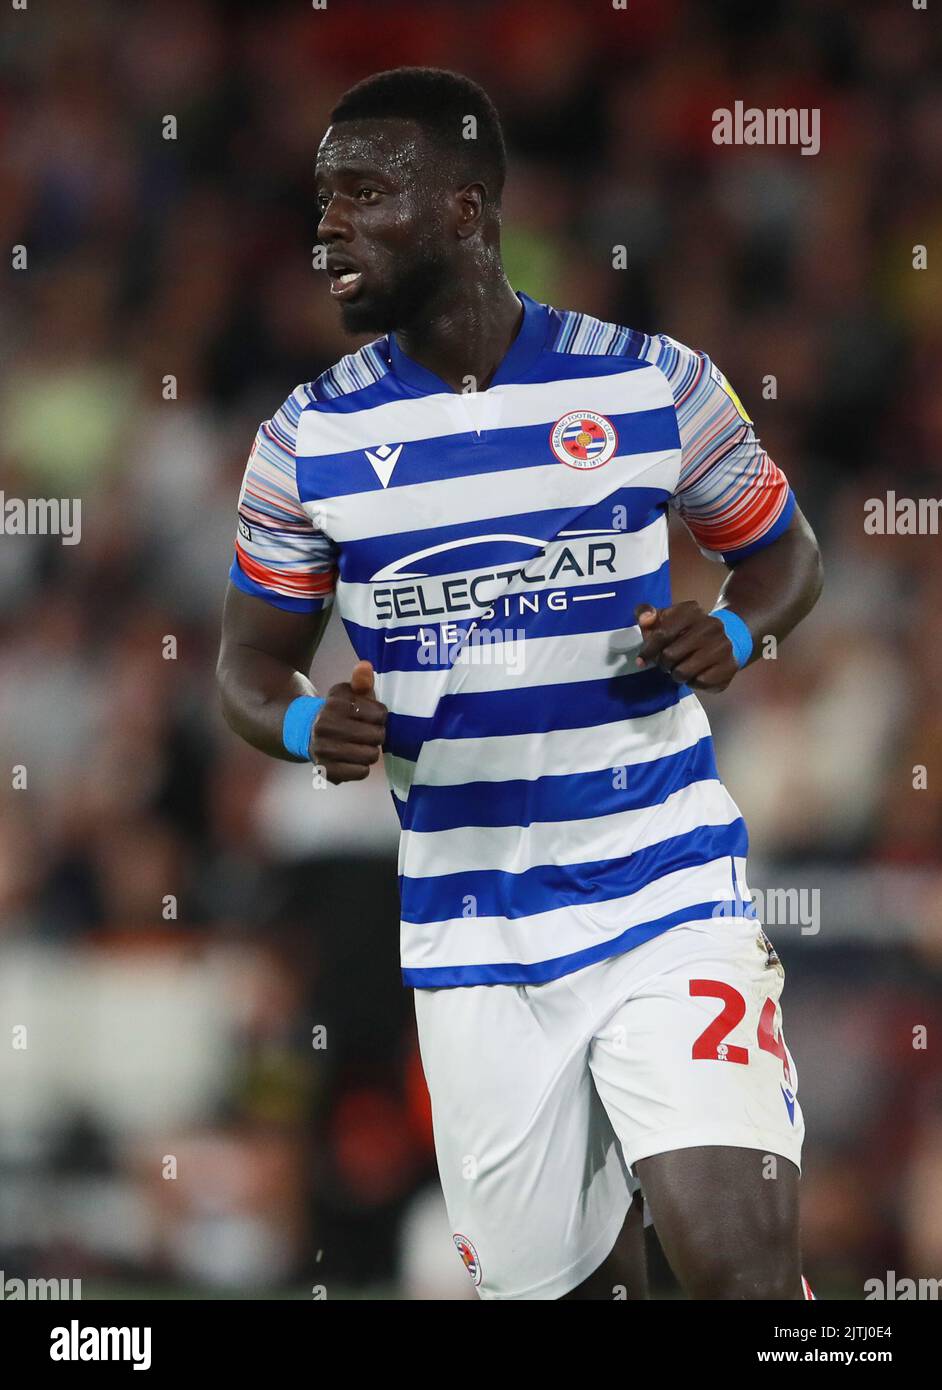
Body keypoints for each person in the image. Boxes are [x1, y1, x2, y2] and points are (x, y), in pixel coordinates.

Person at [216, 66, 823, 1301]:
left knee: (740, 1266)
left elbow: (787, 556)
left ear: (465, 212)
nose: (324, 227)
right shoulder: (306, 443)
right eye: (319, 199)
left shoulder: (650, 384)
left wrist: (743, 635)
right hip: (473, 936)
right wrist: (299, 719)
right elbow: (242, 659)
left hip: (665, 886)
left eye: (361, 194)